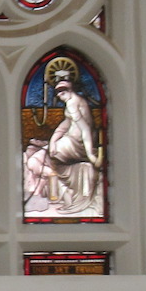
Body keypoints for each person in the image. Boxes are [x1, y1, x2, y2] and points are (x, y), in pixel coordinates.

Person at [24, 77, 102, 215]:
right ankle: (40, 192)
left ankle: (42, 192)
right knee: (36, 154)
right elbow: (65, 125)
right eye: (57, 92)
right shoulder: (74, 101)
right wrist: (53, 140)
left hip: (76, 144)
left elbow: (85, 129)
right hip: (70, 140)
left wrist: (90, 154)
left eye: (61, 91)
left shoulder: (73, 103)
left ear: (69, 90)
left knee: (34, 160)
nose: (58, 95)